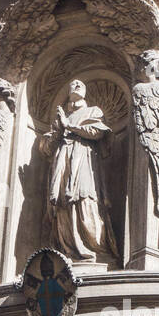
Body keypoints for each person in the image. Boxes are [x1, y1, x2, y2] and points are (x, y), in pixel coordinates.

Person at [40, 78, 119, 266]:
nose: (75, 85)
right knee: (62, 205)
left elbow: (98, 132)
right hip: (63, 162)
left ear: (84, 92)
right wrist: (59, 129)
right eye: (72, 84)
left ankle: (96, 251)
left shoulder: (93, 111)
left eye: (79, 85)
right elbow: (48, 148)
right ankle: (67, 250)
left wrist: (69, 126)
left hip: (84, 161)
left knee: (85, 201)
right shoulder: (61, 117)